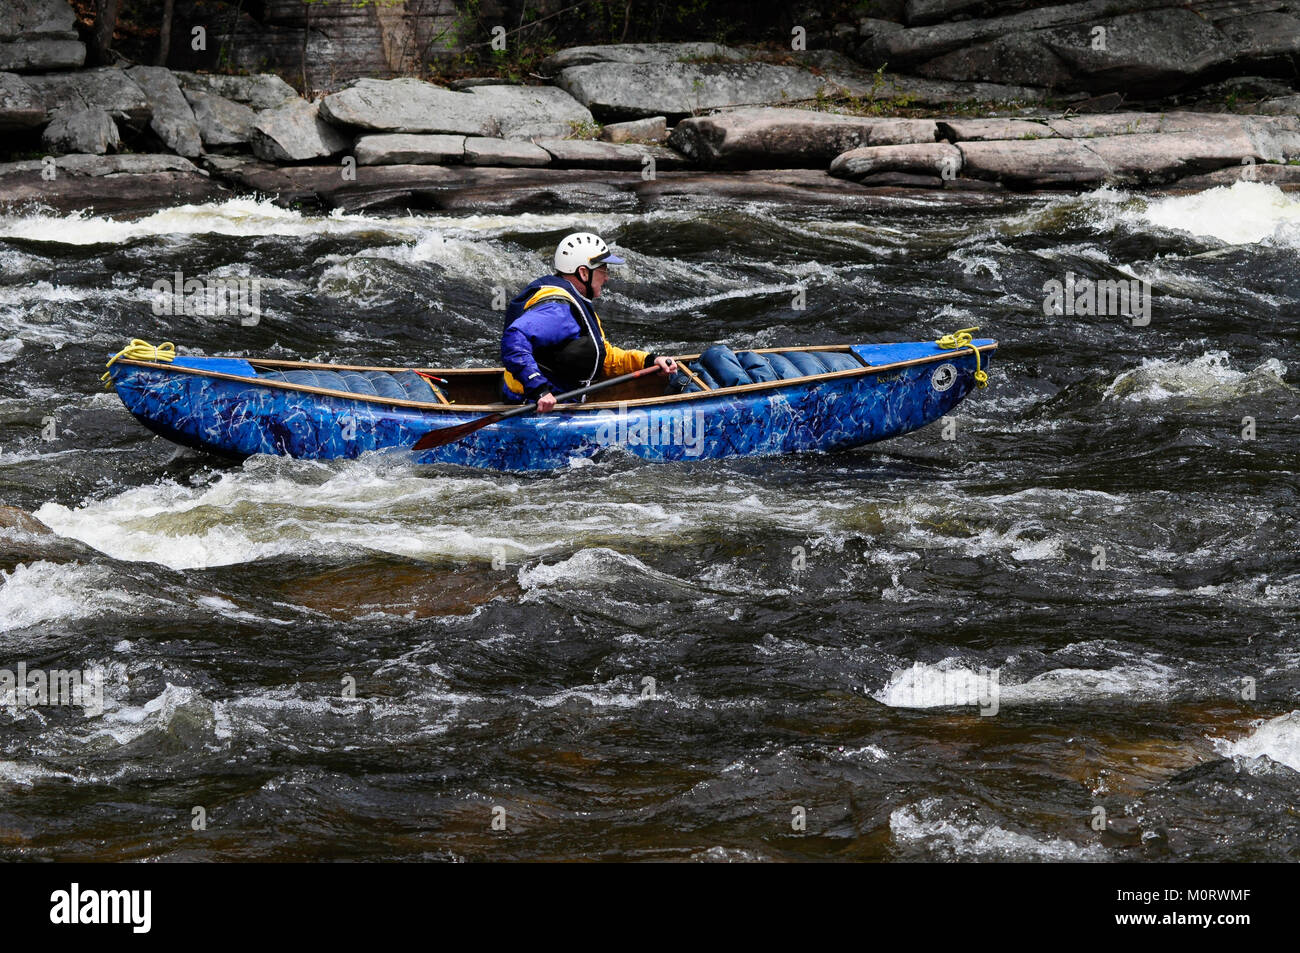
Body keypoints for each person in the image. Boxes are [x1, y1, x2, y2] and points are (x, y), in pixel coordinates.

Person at [500, 232, 677, 411]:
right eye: (603, 270)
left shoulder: (575, 302)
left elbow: (604, 358)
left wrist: (649, 361)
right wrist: (538, 388)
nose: (606, 278)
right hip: (532, 407)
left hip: (559, 405)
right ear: (583, 273)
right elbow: (514, 339)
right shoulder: (558, 309)